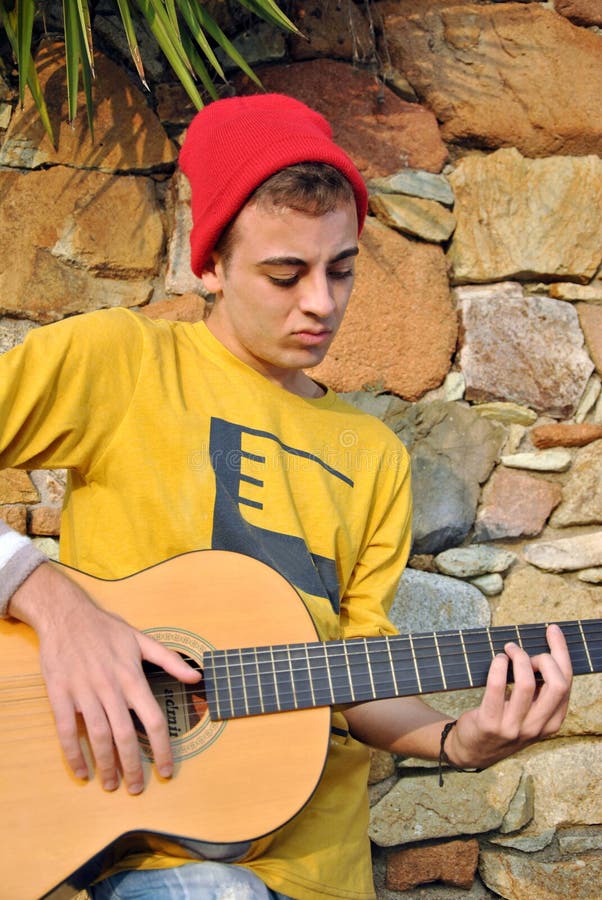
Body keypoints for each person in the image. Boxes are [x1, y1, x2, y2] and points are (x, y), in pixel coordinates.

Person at [0, 94, 572, 900]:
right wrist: (48, 597)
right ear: (210, 263)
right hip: (151, 846)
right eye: (284, 273)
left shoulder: (371, 454)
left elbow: (357, 672)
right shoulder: (123, 362)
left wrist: (456, 740)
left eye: (340, 269)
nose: (322, 303)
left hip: (316, 866)